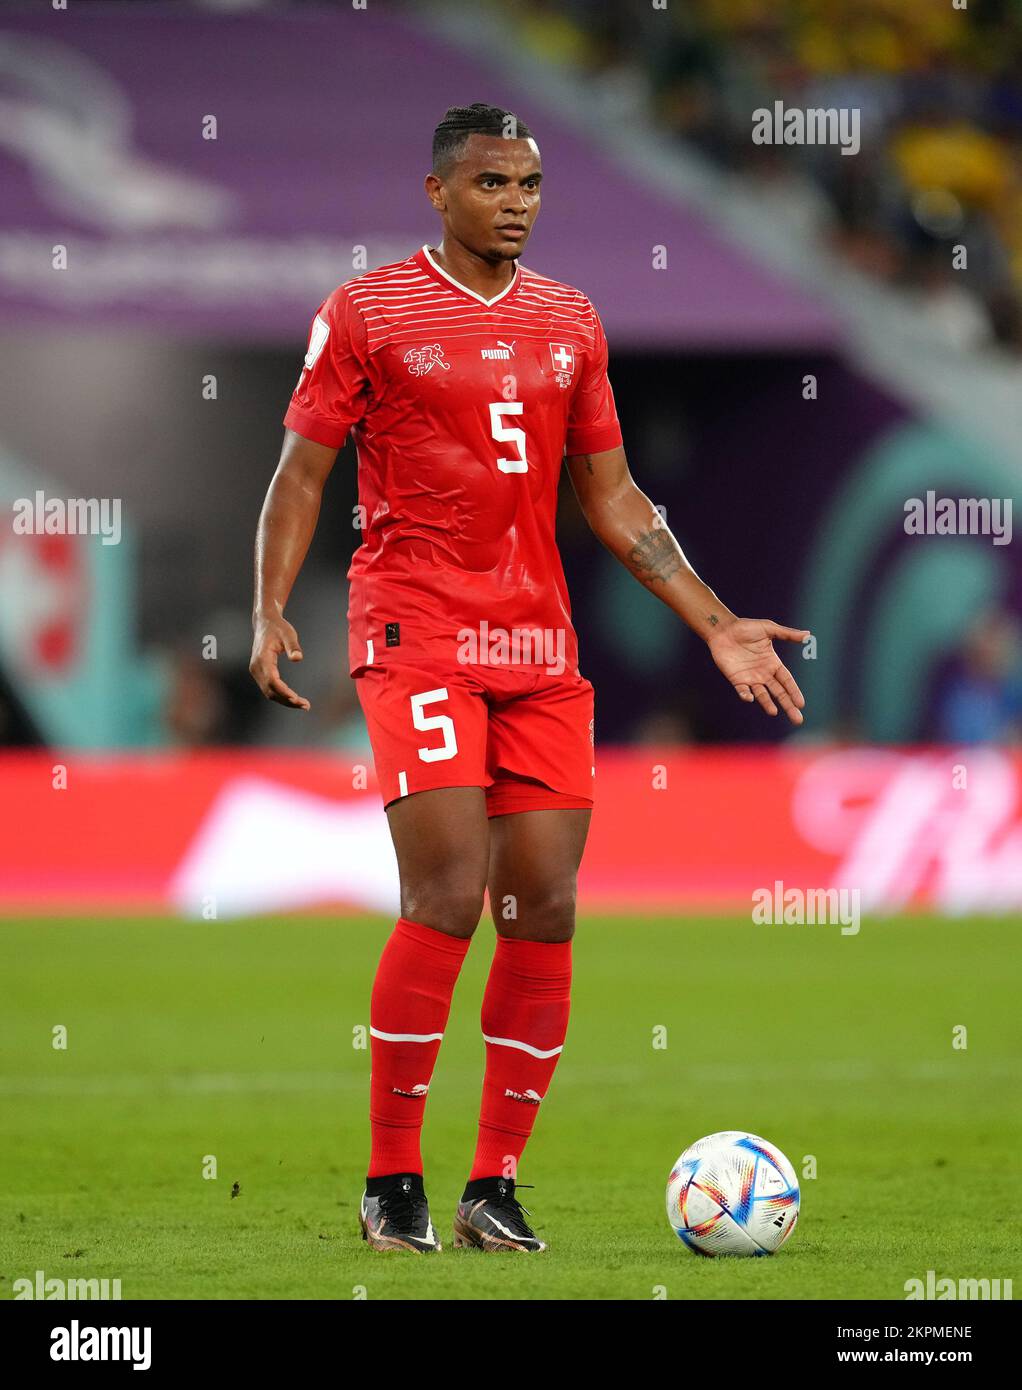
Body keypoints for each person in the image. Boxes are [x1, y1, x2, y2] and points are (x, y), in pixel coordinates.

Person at [250, 103, 808, 1254]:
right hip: (414, 630)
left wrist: (712, 623)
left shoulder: (571, 321)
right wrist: (267, 607)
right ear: (439, 192)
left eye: (533, 184)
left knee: (541, 905)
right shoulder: (366, 310)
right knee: (449, 891)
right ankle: (391, 1179)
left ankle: (491, 1185)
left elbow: (611, 497)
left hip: (537, 650)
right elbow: (302, 470)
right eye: (495, 182)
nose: (517, 202)